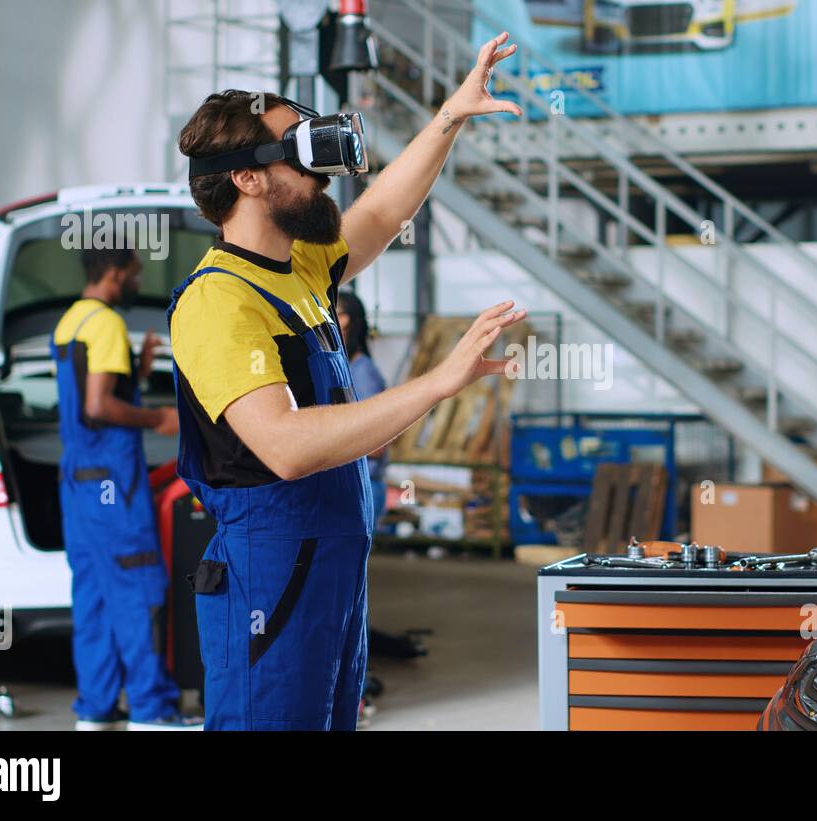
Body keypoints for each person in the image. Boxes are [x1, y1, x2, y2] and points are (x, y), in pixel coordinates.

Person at [170, 32, 525, 730]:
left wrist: (448, 117)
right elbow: (285, 446)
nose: (323, 171)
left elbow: (386, 212)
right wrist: (434, 384)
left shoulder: (297, 269)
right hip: (269, 573)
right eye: (298, 153)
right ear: (247, 177)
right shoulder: (218, 300)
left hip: (329, 567)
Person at [51, 247, 198, 731]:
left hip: (77, 481)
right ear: (115, 274)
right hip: (112, 483)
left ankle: (95, 709)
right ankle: (152, 709)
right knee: (140, 586)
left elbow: (86, 396)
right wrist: (159, 416)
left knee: (93, 593)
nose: (137, 280)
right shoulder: (108, 324)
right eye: (135, 274)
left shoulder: (71, 321)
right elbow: (98, 406)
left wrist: (137, 372)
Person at [333, 290, 388, 523]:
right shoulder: (342, 369)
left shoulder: (364, 373)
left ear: (346, 321)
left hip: (361, 487)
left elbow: (376, 445)